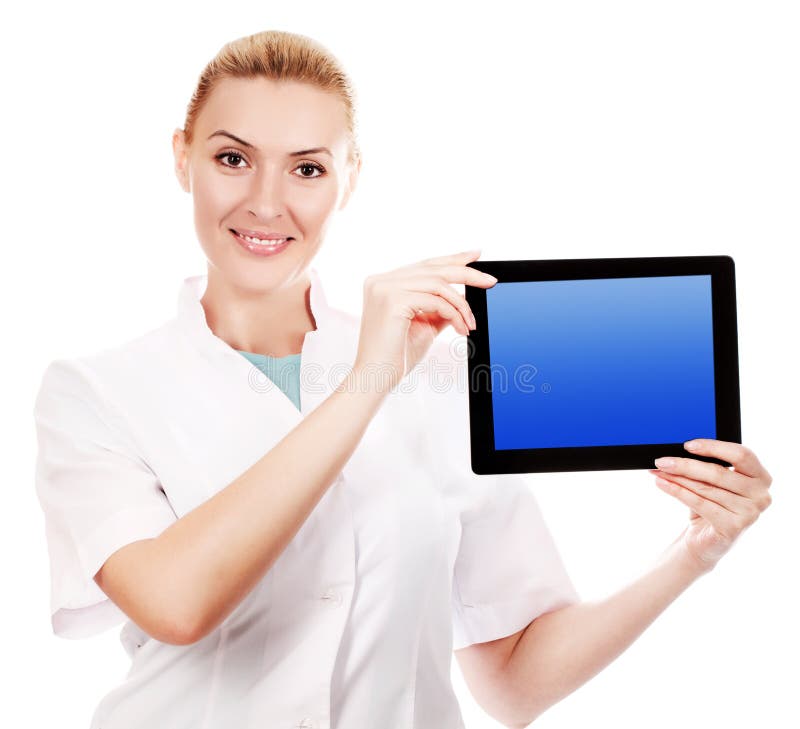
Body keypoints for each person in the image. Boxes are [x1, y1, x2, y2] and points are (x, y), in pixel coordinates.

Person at [32, 29, 773, 729]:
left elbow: (513, 681)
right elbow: (174, 600)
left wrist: (694, 553)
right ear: (181, 156)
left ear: (349, 179)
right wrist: (368, 382)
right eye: (232, 158)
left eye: (308, 168)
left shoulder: (442, 376)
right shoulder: (96, 393)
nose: (265, 201)